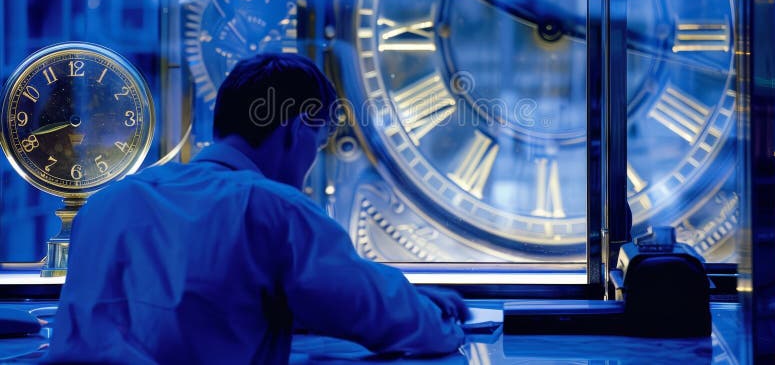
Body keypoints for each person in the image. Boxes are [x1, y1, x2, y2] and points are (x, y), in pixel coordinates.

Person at [45, 52, 468, 364]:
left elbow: (195, 307)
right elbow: (393, 321)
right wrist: (434, 315)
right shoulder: (271, 209)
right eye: (318, 145)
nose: (310, 165)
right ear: (297, 131)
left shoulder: (106, 204)